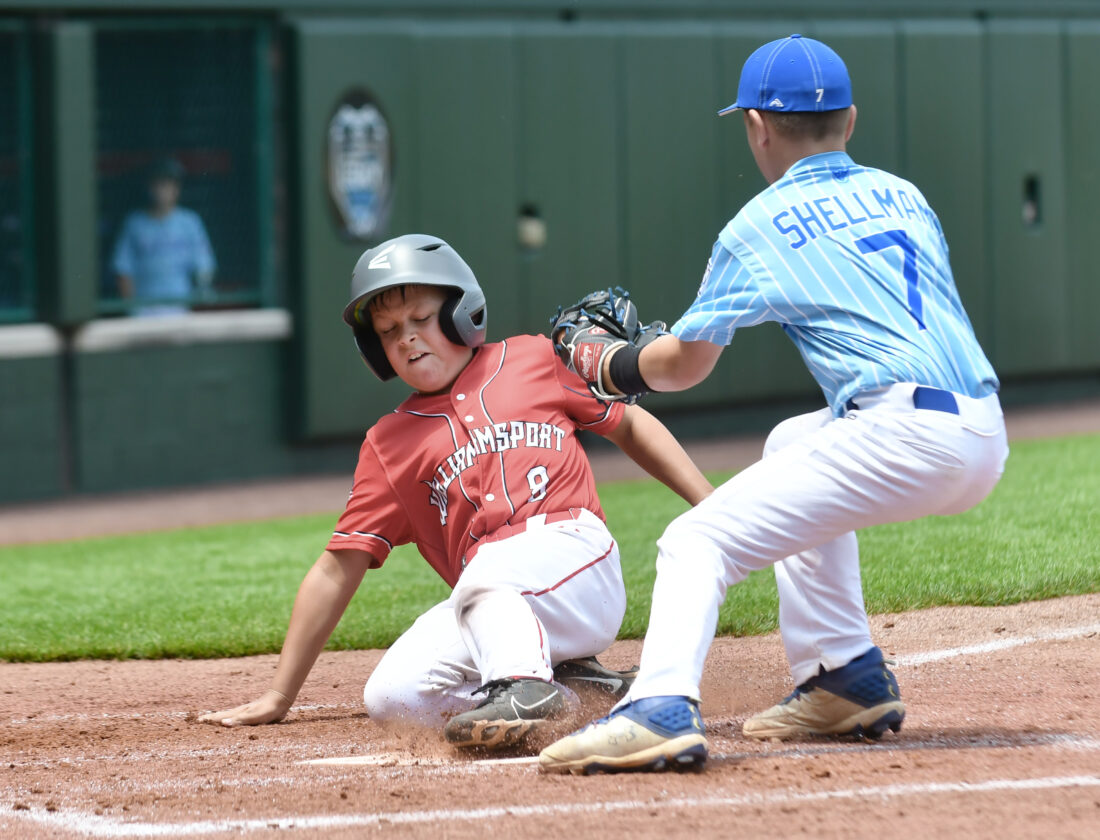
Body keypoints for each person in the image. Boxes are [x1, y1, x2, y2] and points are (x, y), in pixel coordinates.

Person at [539, 34, 1008, 774]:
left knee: (695, 542)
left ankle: (657, 707)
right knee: (793, 440)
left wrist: (607, 363)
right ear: (849, 120)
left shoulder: (757, 224)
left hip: (903, 432)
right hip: (983, 428)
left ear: (756, 127)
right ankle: (843, 674)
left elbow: (683, 367)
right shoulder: (905, 194)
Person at [199, 234, 713, 750]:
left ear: (461, 312)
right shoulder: (389, 444)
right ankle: (575, 693)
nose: (407, 338)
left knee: (485, 575)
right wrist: (279, 694)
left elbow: (629, 426)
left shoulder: (532, 358)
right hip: (490, 601)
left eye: (421, 318)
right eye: (388, 330)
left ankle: (524, 686)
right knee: (393, 695)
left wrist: (713, 508)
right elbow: (337, 568)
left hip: (575, 561)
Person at [110, 157, 216, 317]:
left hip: (180, 309)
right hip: (144, 311)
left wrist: (200, 291)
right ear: (149, 187)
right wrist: (132, 310)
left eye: (168, 184)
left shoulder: (189, 222)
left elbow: (204, 266)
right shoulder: (134, 223)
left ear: (177, 189)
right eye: (158, 184)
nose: (163, 190)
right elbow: (123, 270)